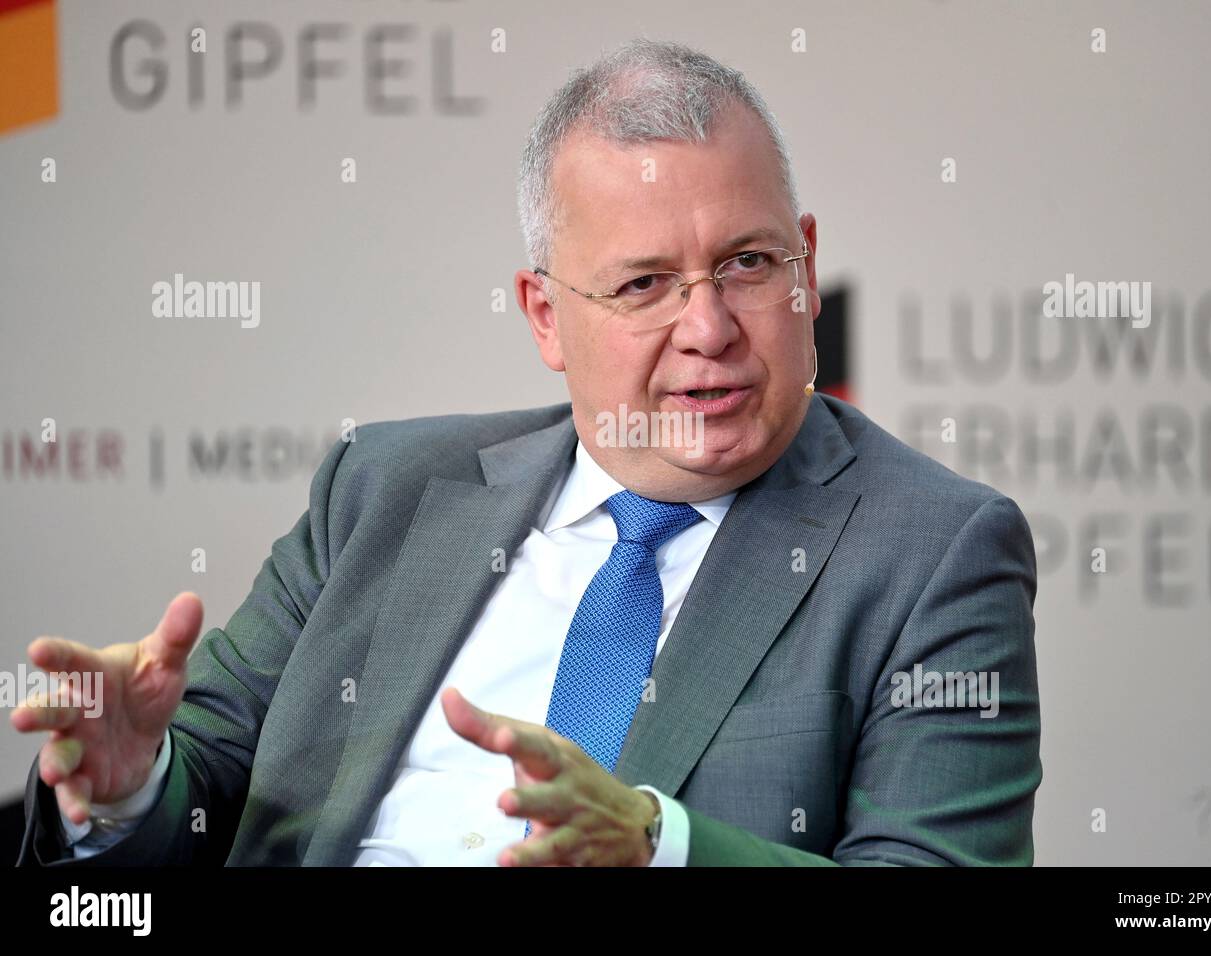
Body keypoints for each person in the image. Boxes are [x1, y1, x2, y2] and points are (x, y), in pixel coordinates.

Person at [13, 38, 1041, 867]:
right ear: (546, 315)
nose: (709, 327)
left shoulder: (931, 550)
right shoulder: (380, 490)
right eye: (644, 285)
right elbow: (201, 798)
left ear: (805, 267)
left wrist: (657, 845)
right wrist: (131, 783)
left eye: (747, 263)